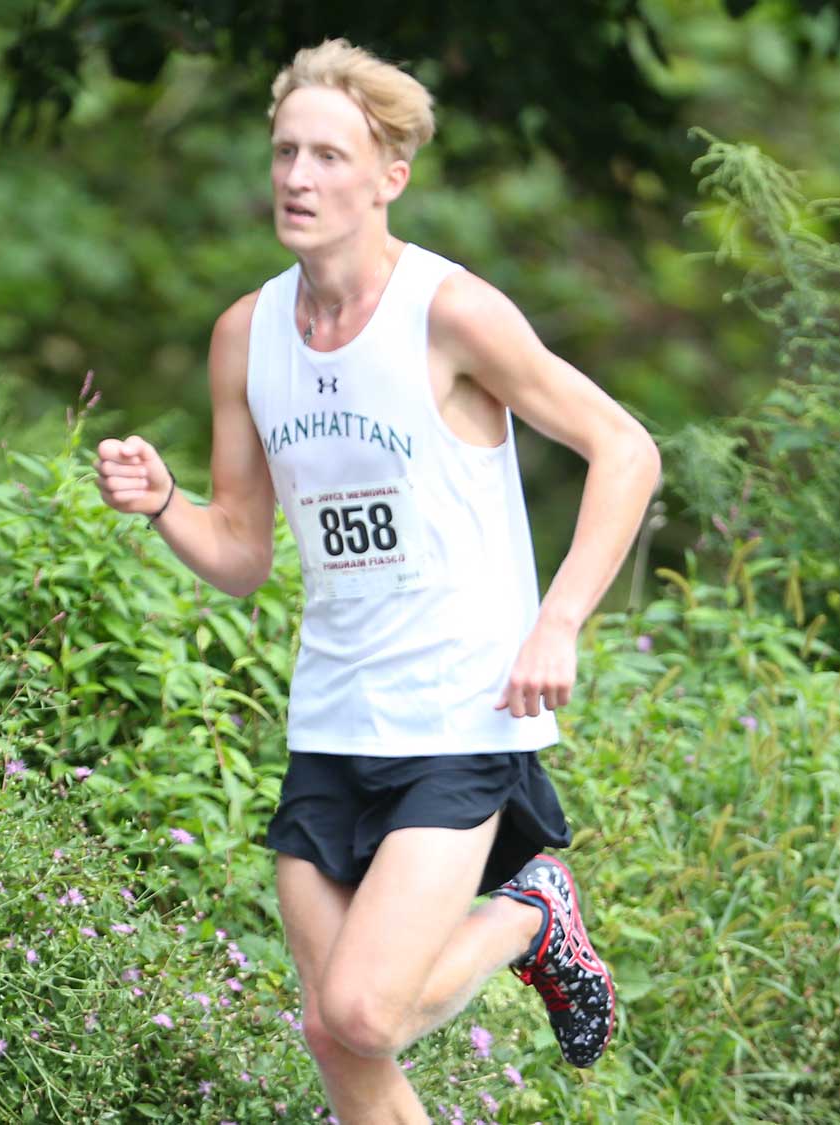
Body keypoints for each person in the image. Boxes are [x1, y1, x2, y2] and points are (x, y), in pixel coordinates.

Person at [93, 37, 660, 1123]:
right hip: (334, 719)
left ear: (387, 177)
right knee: (333, 1037)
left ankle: (530, 914)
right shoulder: (245, 336)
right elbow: (243, 557)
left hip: (458, 713)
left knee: (363, 1015)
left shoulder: (448, 313)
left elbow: (624, 449)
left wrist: (560, 621)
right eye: (283, 153)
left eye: (328, 157)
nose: (298, 179)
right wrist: (167, 504)